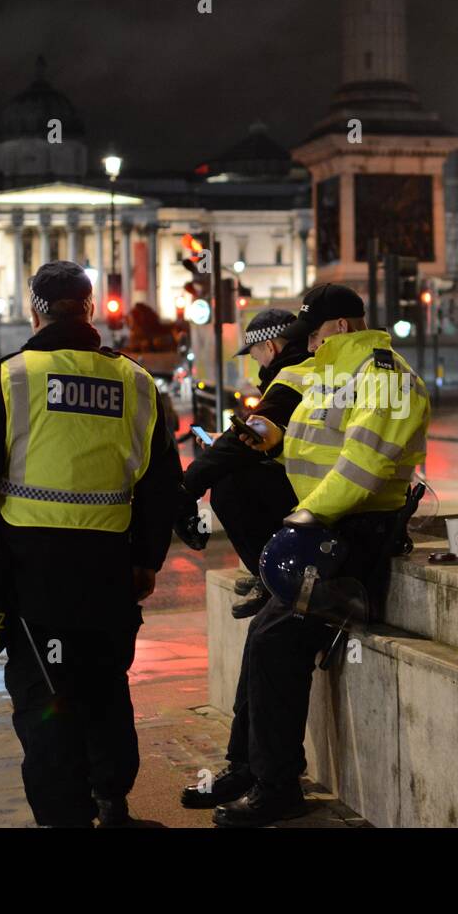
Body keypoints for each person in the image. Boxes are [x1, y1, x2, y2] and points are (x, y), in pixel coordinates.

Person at [0, 260, 180, 828]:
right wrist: (146, 560)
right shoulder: (137, 381)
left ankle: (62, 818)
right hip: (109, 568)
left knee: (46, 697)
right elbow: (160, 483)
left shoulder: (11, 378)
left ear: (36, 310)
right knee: (105, 688)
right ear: (91, 309)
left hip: (33, 573)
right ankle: (112, 802)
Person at [180, 282, 430, 828]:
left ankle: (276, 787)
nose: (308, 345)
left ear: (339, 327)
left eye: (313, 334)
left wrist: (305, 520)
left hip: (355, 533)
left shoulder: (383, 375)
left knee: (276, 637)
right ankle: (249, 767)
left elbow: (363, 466)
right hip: (326, 525)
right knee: (267, 631)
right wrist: (261, 438)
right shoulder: (330, 373)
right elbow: (299, 436)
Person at [174, 308, 312, 619]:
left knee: (230, 487)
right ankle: (267, 569)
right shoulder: (305, 369)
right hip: (314, 483)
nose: (256, 362)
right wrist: (223, 439)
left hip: (313, 490)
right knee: (233, 472)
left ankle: (272, 576)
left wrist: (189, 484)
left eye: (255, 354)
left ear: (271, 347)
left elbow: (248, 440)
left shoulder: (291, 377)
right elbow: (258, 435)